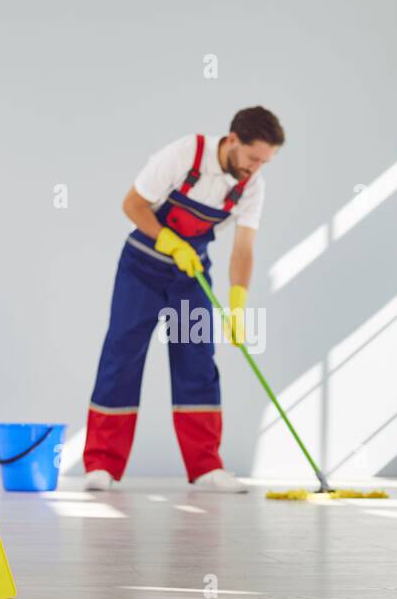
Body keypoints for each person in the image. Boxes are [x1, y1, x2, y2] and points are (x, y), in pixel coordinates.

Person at [83, 106, 284, 492]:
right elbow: (132, 204)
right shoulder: (183, 155)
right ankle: (101, 464)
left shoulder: (251, 186)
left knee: (197, 361)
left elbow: (244, 249)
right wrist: (169, 241)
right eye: (253, 157)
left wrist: (238, 305)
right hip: (141, 268)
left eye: (265, 162)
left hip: (190, 276)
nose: (256, 168)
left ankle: (206, 466)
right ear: (232, 141)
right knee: (122, 356)